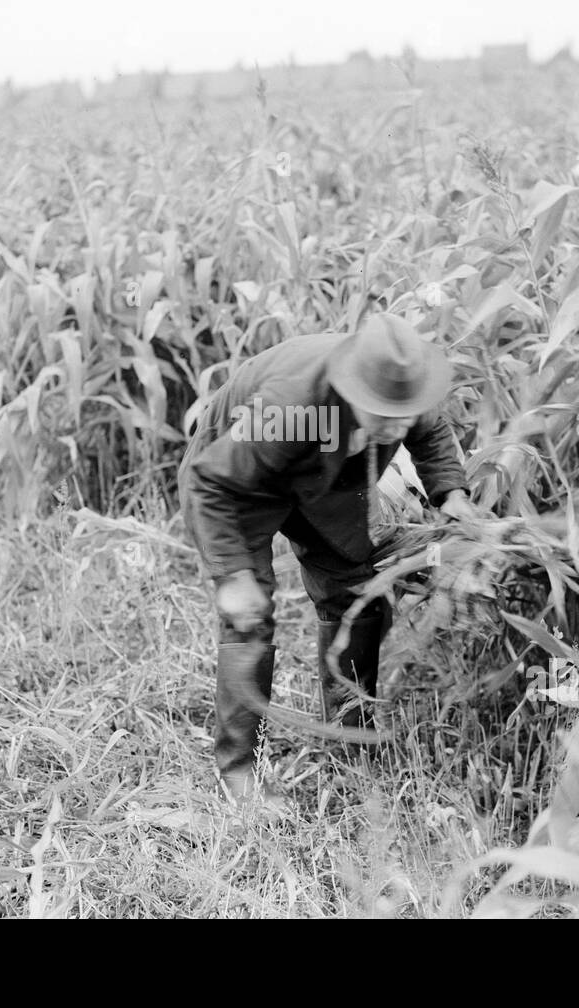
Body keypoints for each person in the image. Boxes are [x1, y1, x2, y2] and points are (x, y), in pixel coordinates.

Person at [177, 313, 474, 812]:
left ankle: (350, 747)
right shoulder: (290, 406)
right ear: (352, 392)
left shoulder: (401, 386)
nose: (399, 426)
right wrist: (232, 576)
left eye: (403, 415)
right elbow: (213, 483)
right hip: (240, 484)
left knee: (358, 593)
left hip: (326, 478)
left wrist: (453, 492)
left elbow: (430, 429)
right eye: (386, 417)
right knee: (249, 619)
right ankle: (238, 775)